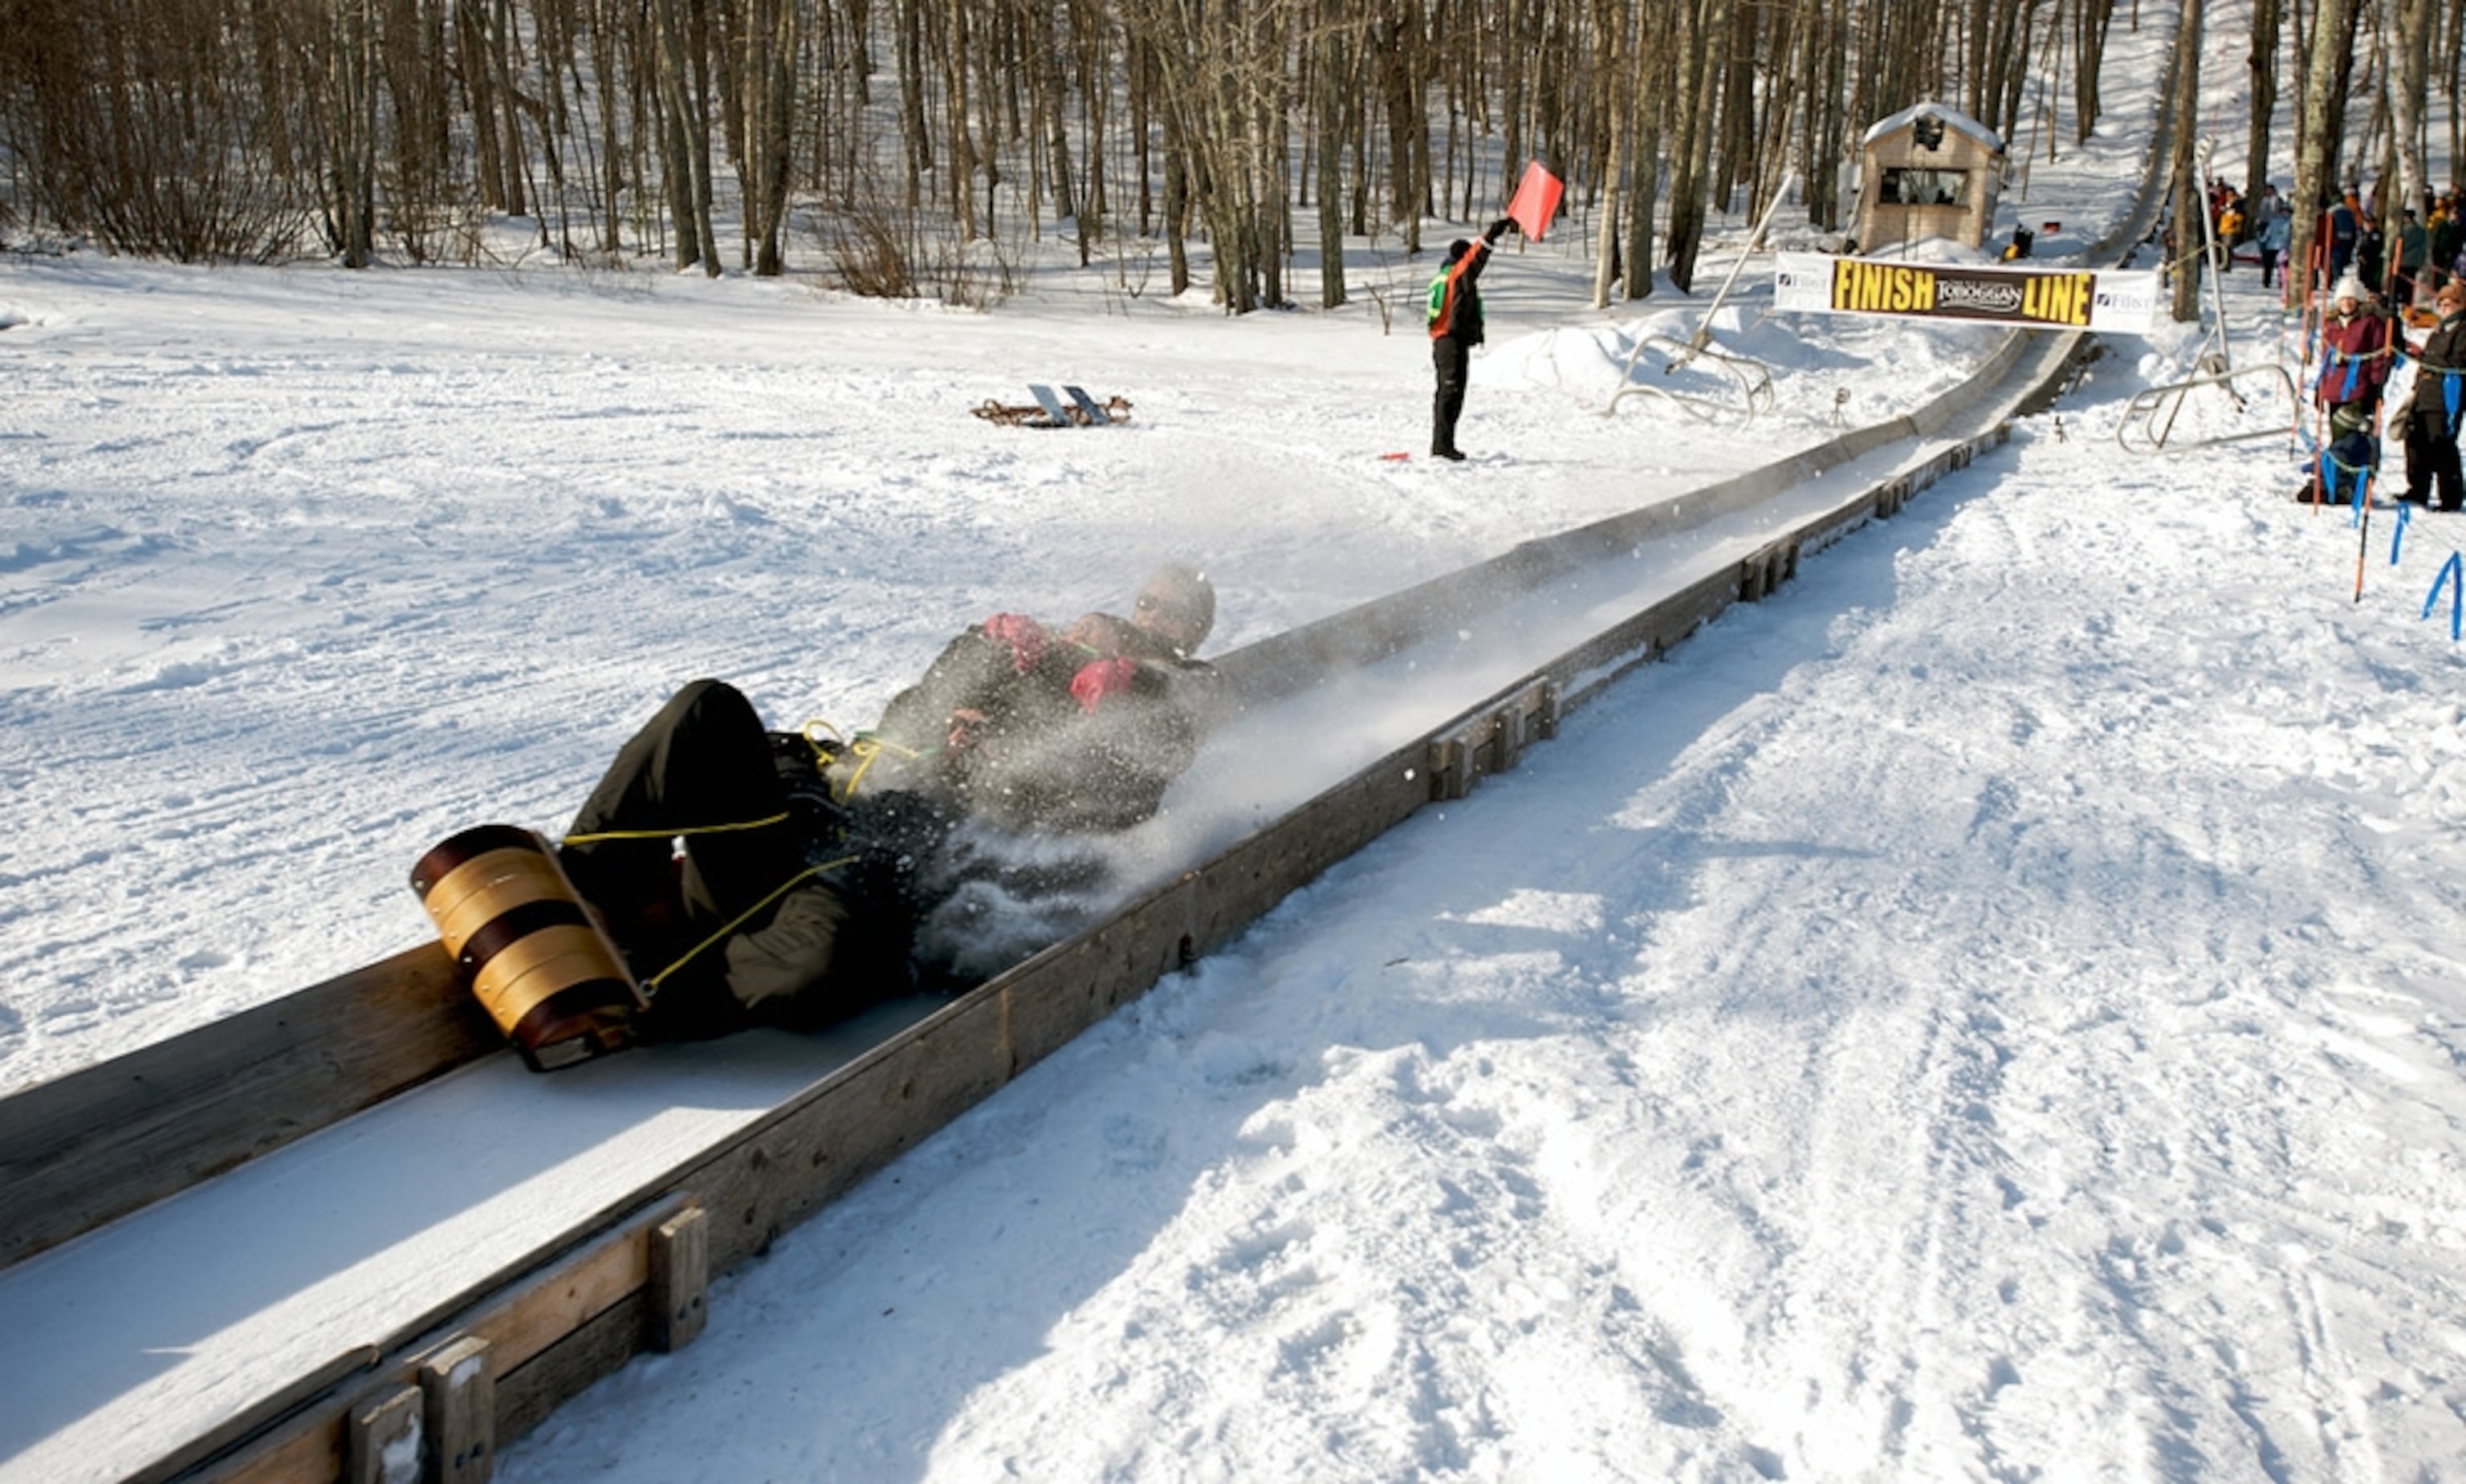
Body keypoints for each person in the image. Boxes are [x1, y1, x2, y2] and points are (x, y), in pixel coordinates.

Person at [557, 679, 913, 1041]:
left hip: (827, 900)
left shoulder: (947, 810)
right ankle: (571, 909)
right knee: (707, 705)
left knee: (823, 957)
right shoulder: (816, 763)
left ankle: (636, 997)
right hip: (754, 878)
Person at [1426, 216, 1518, 461]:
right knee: (1450, 393)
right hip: (1449, 340)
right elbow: (1476, 259)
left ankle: (1445, 444)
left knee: (1452, 393)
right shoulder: (1456, 275)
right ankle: (1442, 447)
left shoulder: (1443, 276)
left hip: (1447, 341)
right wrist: (1491, 236)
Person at [2401, 279, 2466, 510]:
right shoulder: (2439, 330)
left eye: (2450, 304)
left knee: (2442, 445)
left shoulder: (2462, 330)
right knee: (2416, 441)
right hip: (2425, 392)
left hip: (2447, 395)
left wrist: (2429, 360)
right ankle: (2418, 489)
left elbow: (2457, 361)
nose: (2445, 308)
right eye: (2442, 304)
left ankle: (2451, 496)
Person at [2317, 274, 2395, 445]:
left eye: (2351, 298)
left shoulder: (2370, 323)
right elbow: (2325, 359)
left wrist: (2376, 385)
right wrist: (2321, 387)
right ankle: (2337, 459)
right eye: (2343, 298)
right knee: (2336, 434)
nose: (2346, 303)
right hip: (2334, 387)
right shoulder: (2331, 324)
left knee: (2348, 434)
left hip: (2358, 387)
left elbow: (2378, 355)